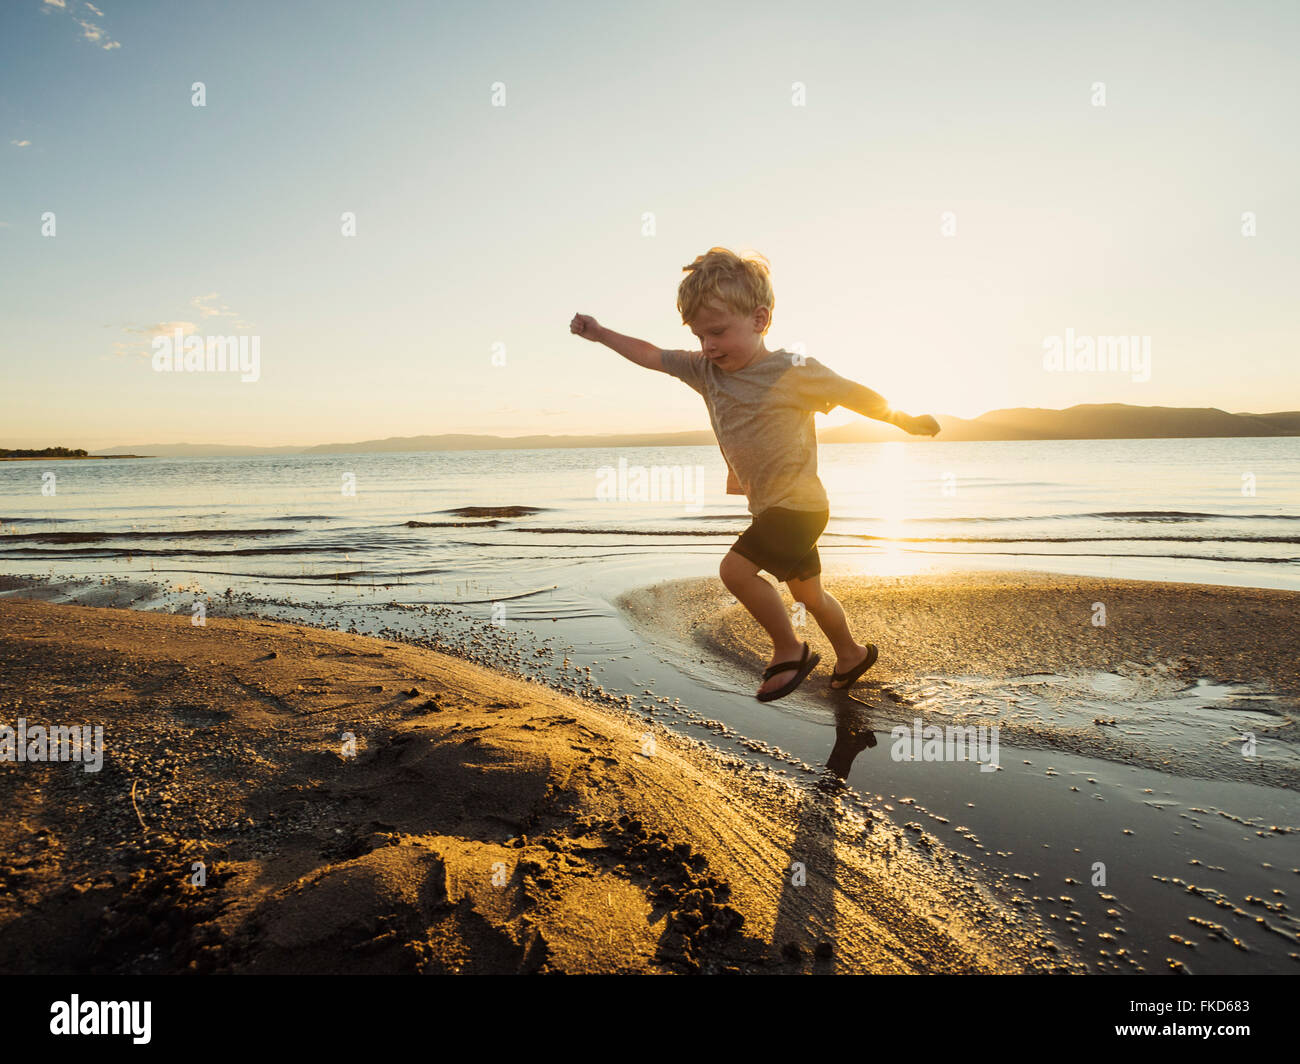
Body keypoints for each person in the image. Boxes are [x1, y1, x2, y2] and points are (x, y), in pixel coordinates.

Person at [570, 247, 939, 702]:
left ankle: (790, 647)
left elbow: (849, 392)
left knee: (735, 571)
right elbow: (651, 355)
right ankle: (851, 653)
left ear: (760, 319)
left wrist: (902, 418)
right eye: (700, 334)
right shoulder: (705, 371)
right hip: (772, 506)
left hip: (800, 506)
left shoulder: (791, 370)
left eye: (719, 331)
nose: (709, 344)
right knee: (810, 596)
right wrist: (601, 333)